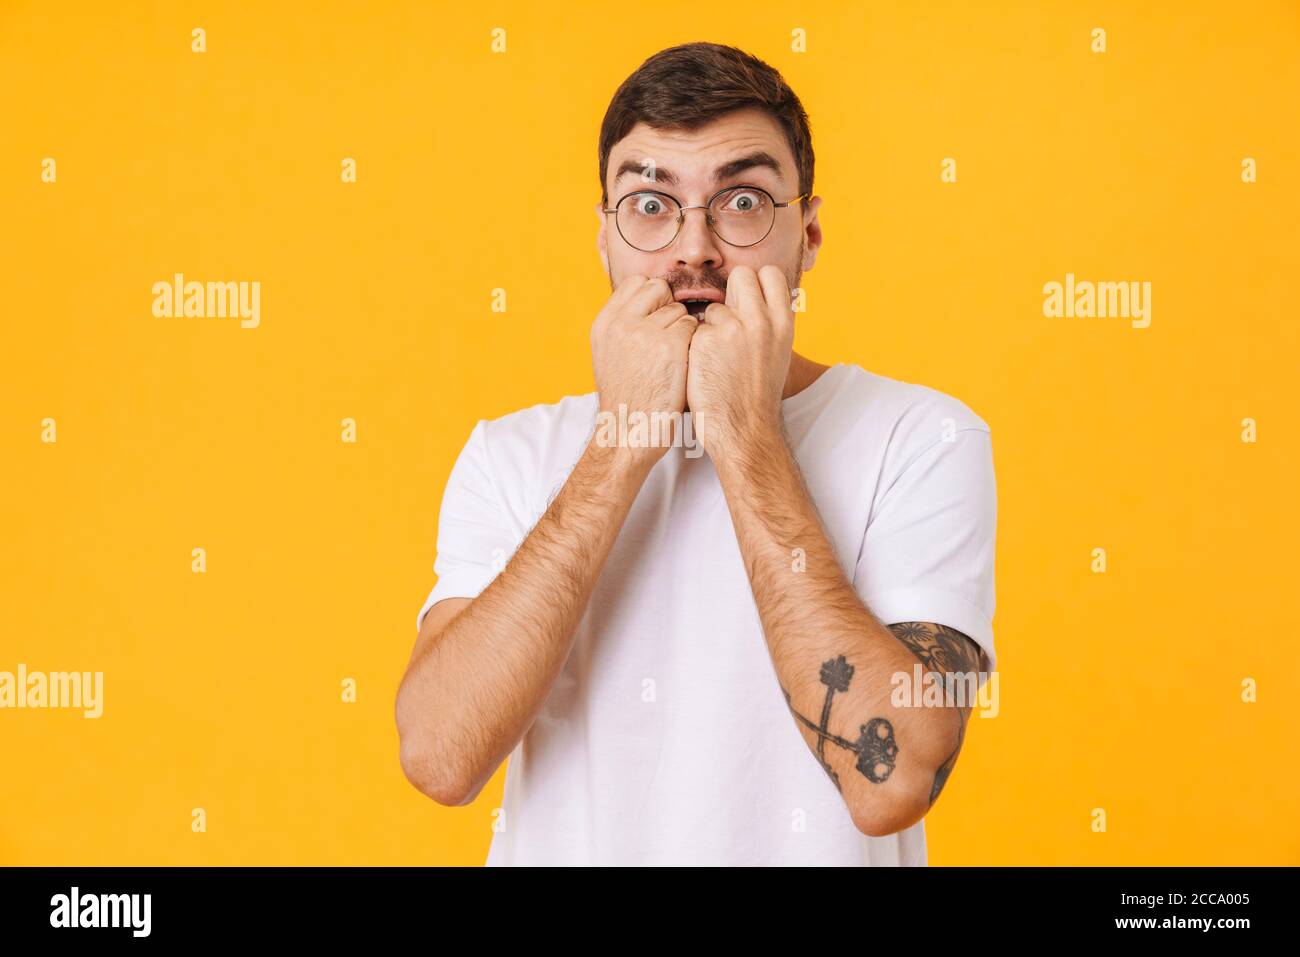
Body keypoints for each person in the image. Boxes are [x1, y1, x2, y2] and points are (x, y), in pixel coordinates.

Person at [396, 41, 998, 866]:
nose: (695, 250)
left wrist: (746, 434)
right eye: (650, 204)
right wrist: (621, 446)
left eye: (742, 200)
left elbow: (889, 780)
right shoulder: (511, 454)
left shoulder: (919, 438)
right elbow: (438, 756)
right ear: (603, 239)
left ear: (810, 233)